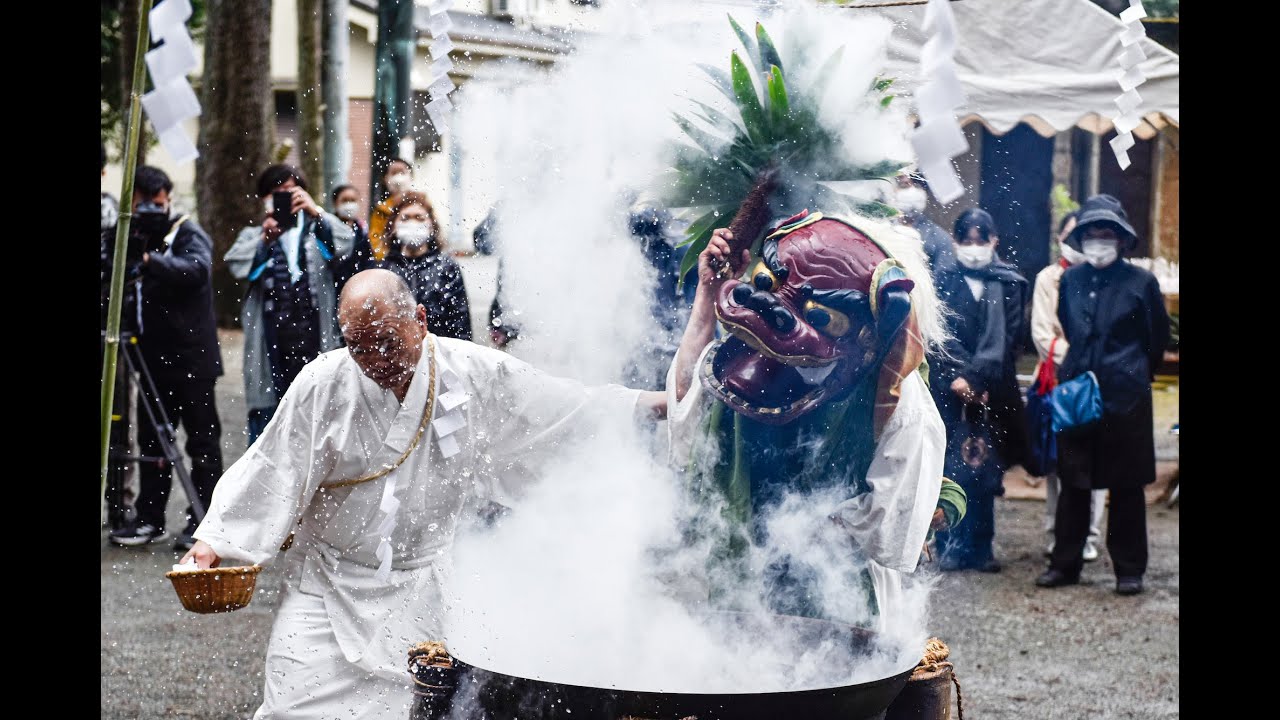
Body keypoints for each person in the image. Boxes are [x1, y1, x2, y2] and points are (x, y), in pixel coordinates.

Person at [181, 269, 665, 720]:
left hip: (421, 587)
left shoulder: (473, 371)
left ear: (420, 320)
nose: (375, 362)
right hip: (326, 586)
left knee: (409, 708)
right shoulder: (323, 382)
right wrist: (215, 544)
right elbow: (273, 466)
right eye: (359, 348)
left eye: (387, 343)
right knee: (292, 701)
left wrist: (648, 405)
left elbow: (559, 408)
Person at [667, 214, 947, 629]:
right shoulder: (738, 360)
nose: (771, 308)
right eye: (768, 283)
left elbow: (893, 512)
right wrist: (706, 294)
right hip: (733, 573)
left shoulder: (894, 397)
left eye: (816, 313)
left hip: (834, 593)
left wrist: (800, 538)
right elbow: (687, 410)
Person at [1036, 194, 1169, 596]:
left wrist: (1131, 375)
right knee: (1074, 481)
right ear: (1081, 237)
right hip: (1078, 389)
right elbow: (1069, 330)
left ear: (1121, 238)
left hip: (1126, 396)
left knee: (1126, 486)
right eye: (1091, 233)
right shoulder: (1071, 280)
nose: (1099, 240)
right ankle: (1065, 564)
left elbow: (1157, 340)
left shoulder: (1141, 283)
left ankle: (1129, 570)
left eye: (1106, 233)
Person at [107, 166, 225, 551]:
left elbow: (196, 270)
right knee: (153, 444)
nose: (154, 213)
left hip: (193, 360)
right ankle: (149, 518)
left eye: (159, 205)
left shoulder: (187, 233)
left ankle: (205, 520)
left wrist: (152, 260)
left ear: (169, 199)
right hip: (151, 360)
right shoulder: (133, 235)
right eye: (146, 206)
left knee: (202, 444)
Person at [928, 208, 1029, 573]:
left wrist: (980, 380)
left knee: (986, 470)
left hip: (993, 392)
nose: (973, 247)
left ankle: (982, 548)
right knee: (949, 468)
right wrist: (959, 378)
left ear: (994, 242)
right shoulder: (940, 280)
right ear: (955, 242)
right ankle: (950, 546)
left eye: (980, 240)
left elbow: (1011, 340)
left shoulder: (1009, 282)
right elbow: (936, 333)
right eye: (966, 240)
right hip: (948, 387)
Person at [225, 164, 355, 445]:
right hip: (270, 348)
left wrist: (316, 211)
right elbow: (236, 264)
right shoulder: (253, 236)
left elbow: (347, 245)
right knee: (267, 435)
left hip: (314, 342)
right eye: (277, 193)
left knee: (320, 430)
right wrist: (265, 239)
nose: (285, 198)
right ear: (264, 199)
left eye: (291, 191)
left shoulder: (318, 230)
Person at [1030, 210, 1105, 563]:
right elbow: (1044, 335)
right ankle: (1056, 532)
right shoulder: (1049, 278)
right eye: (1072, 235)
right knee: (1058, 462)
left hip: (1097, 382)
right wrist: (1080, 357)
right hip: (1059, 380)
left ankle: (1090, 534)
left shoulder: (1104, 278)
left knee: (1097, 462)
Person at [379, 191, 473, 341]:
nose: (413, 223)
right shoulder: (383, 270)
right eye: (405, 218)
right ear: (394, 226)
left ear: (431, 225)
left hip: (438, 354)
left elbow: (460, 323)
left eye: (419, 217)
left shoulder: (447, 267)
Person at [891, 171, 954, 275]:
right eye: (902, 184)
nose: (911, 190)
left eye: (915, 183)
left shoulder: (939, 239)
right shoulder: (880, 229)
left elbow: (944, 281)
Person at [329, 183, 375, 296]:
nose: (349, 205)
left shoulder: (362, 230)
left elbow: (367, 260)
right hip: (332, 288)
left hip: (357, 289)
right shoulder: (328, 227)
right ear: (335, 203)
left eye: (353, 200)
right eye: (345, 200)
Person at [368, 157, 414, 261]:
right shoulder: (381, 210)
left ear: (410, 176)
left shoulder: (422, 204)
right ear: (385, 178)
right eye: (394, 173)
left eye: (402, 172)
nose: (398, 177)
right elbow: (375, 241)